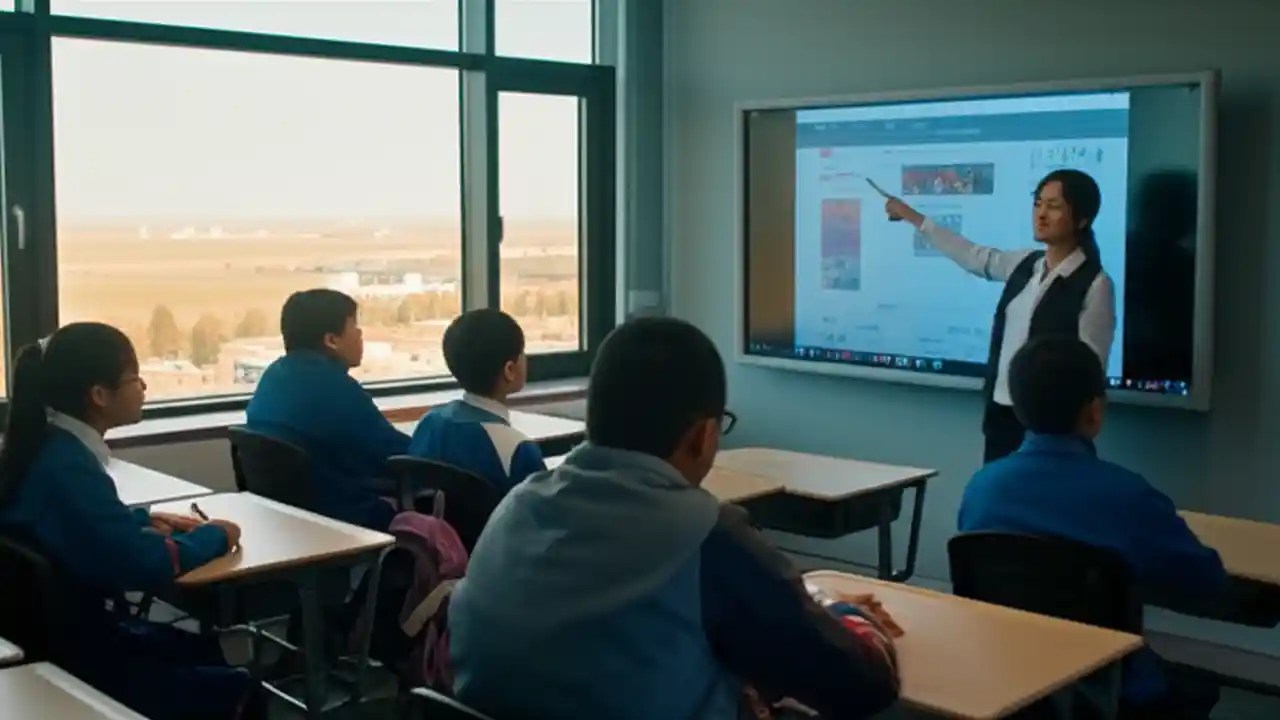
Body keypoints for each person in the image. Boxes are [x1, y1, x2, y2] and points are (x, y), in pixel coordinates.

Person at [449, 317, 900, 720]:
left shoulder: (515, 507)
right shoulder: (706, 538)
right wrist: (841, 614)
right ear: (704, 435)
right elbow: (863, 687)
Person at [0, 323, 264, 720]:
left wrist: (142, 519)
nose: (142, 387)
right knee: (244, 691)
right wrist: (215, 535)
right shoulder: (68, 467)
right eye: (133, 378)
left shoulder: (43, 446)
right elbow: (145, 563)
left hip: (53, 635)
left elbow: (78, 524)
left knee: (203, 648)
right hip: (85, 655)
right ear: (99, 395)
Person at [958, 335, 1227, 717]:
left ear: (1017, 409)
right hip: (1111, 688)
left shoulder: (981, 489)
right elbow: (1206, 583)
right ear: (1094, 412)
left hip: (1013, 681)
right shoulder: (1128, 496)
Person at [885, 168, 1117, 462]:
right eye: (1038, 203)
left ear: (1082, 218)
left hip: (1050, 428)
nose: (1042, 214)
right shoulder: (1026, 264)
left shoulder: (1094, 283)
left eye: (1054, 206)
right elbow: (972, 256)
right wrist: (914, 217)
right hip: (1002, 413)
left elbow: (1091, 367)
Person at [246, 289, 409, 530]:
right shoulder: (334, 388)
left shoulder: (274, 376)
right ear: (331, 340)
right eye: (354, 326)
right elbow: (396, 456)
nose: (360, 334)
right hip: (347, 515)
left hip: (289, 519)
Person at [408, 309, 544, 495]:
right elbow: (543, 516)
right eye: (523, 352)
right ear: (510, 370)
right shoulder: (518, 449)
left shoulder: (429, 423)